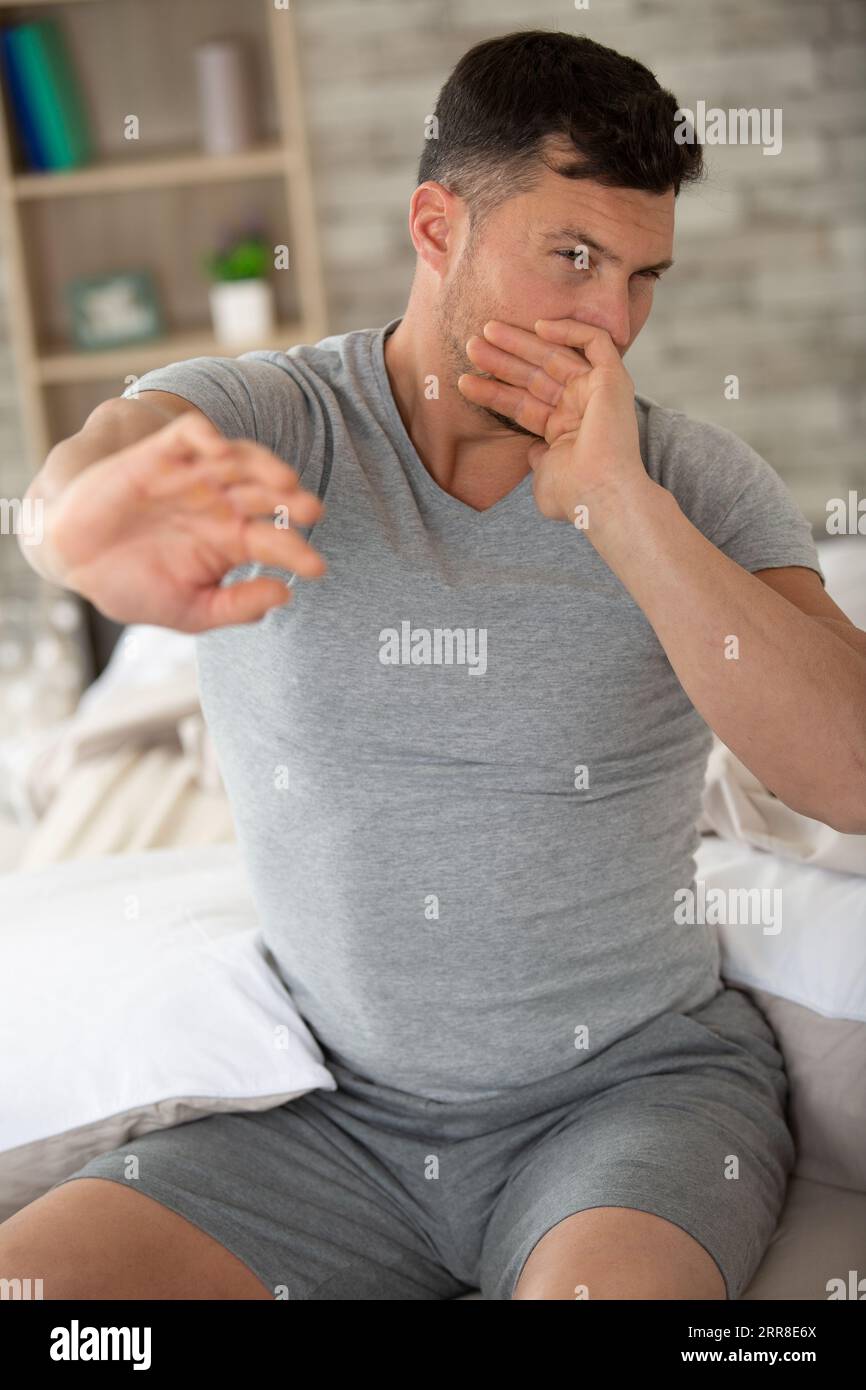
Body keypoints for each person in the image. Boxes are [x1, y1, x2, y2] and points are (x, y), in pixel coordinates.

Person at [3, 29, 865, 1302]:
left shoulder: (688, 477)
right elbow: (95, 463)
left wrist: (616, 507)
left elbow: (848, 770)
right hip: (326, 1120)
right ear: (435, 225)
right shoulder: (279, 417)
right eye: (571, 259)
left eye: (641, 277)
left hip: (626, 1100)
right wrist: (72, 528)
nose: (609, 323)